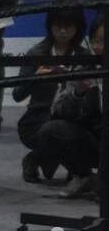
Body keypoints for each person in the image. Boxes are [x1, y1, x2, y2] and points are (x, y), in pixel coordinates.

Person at [15, 7, 92, 183]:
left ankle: (68, 165)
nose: (63, 32)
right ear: (50, 26)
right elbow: (17, 94)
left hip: (73, 119)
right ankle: (36, 159)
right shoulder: (36, 54)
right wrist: (35, 78)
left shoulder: (84, 56)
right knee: (52, 133)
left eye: (68, 27)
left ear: (78, 28)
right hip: (36, 121)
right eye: (58, 26)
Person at [43, 16, 104, 200]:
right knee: (51, 130)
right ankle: (83, 175)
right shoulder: (83, 65)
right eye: (98, 41)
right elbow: (57, 111)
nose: (101, 46)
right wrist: (78, 94)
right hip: (96, 138)